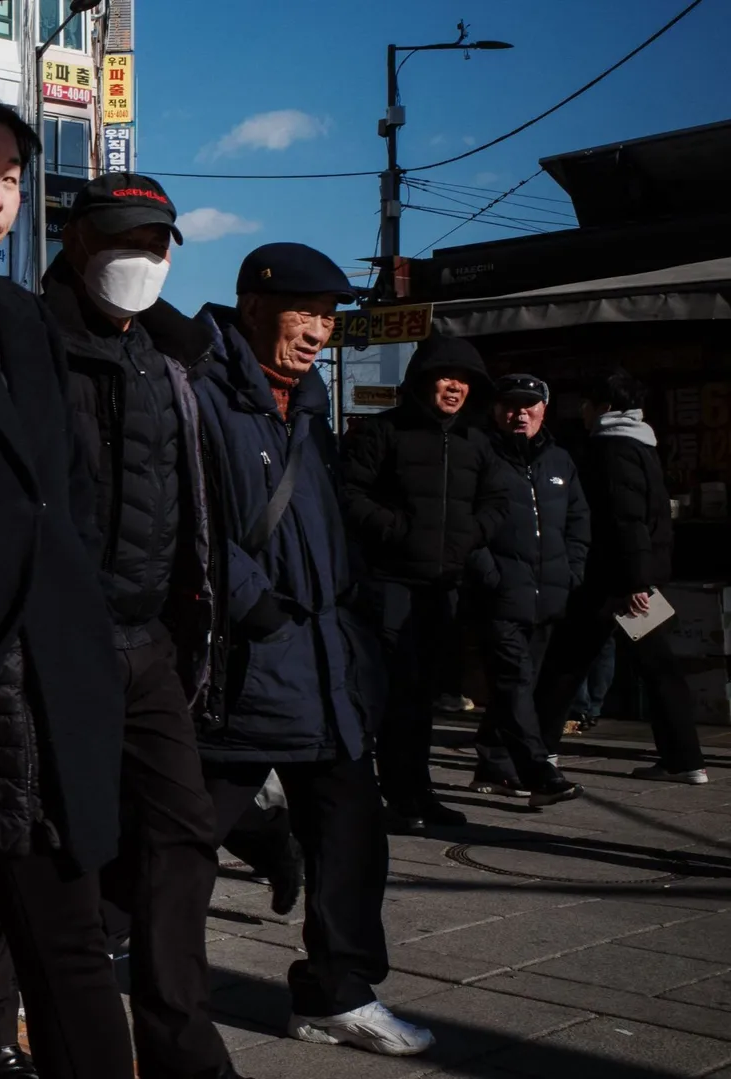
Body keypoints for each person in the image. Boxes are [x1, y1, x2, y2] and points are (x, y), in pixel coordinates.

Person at [0, 84, 132, 1079]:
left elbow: (67, 487)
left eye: (7, 180)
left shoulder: (19, 310)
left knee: (66, 922)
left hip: (39, 655)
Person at [189, 242, 434, 1058]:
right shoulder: (201, 391)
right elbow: (194, 525)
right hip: (249, 664)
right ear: (255, 307)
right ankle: (92, 960)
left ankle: (338, 992)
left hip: (326, 660)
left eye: (330, 316)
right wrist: (257, 611)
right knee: (180, 836)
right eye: (307, 312)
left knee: (351, 830)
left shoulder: (313, 403)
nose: (320, 331)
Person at [38, 172, 240, 1079]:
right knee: (51, 854)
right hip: (53, 641)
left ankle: (183, 1048)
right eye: (124, 241)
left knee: (182, 832)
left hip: (148, 637)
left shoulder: (168, 363)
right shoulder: (29, 341)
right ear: (79, 244)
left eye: (156, 245)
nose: (142, 261)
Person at [341, 335, 507, 832]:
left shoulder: (478, 442)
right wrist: (396, 531)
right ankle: (394, 794)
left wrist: (469, 536)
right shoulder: (382, 431)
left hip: (445, 587)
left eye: (463, 380)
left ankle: (418, 792)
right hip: (389, 583)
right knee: (395, 694)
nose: (454, 387)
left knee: (424, 695)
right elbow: (348, 492)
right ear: (422, 381)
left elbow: (498, 503)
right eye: (445, 377)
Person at [536, 371, 709, 784]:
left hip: (611, 583)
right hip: (633, 581)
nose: (582, 411)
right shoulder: (643, 444)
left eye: (587, 403)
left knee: (565, 664)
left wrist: (634, 583)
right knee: (658, 668)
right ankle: (684, 759)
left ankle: (538, 751)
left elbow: (625, 520)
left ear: (604, 407)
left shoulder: (609, 450)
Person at [463, 374, 587, 807]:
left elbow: (578, 522)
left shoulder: (559, 460)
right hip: (499, 595)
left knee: (520, 685)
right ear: (496, 411)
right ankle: (538, 772)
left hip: (549, 595)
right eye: (511, 405)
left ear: (543, 410)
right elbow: (465, 524)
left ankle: (494, 766)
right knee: (515, 682)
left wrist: (571, 571)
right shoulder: (480, 455)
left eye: (529, 405)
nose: (520, 413)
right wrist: (489, 575)